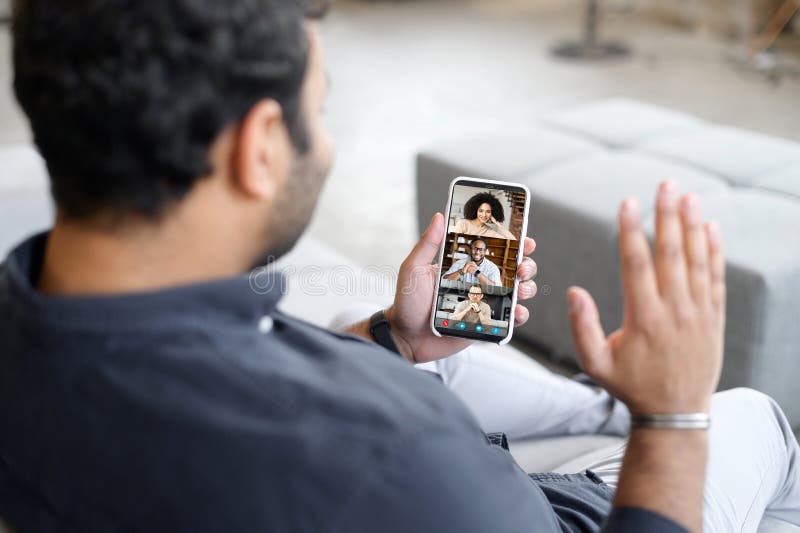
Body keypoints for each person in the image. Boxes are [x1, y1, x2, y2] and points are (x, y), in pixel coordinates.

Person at [1, 2, 798, 533]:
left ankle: (608, 406)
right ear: (260, 147)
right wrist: (674, 420)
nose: (330, 141)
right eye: (321, 108)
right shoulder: (397, 459)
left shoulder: (25, 320)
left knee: (449, 361)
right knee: (755, 416)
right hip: (548, 509)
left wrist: (394, 338)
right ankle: (637, 411)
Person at [452, 191, 517, 240]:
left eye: (488, 212)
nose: (484, 215)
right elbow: (454, 241)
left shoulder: (489, 231)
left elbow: (513, 240)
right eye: (481, 211)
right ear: (475, 210)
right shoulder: (463, 223)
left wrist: (498, 224)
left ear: (492, 214)